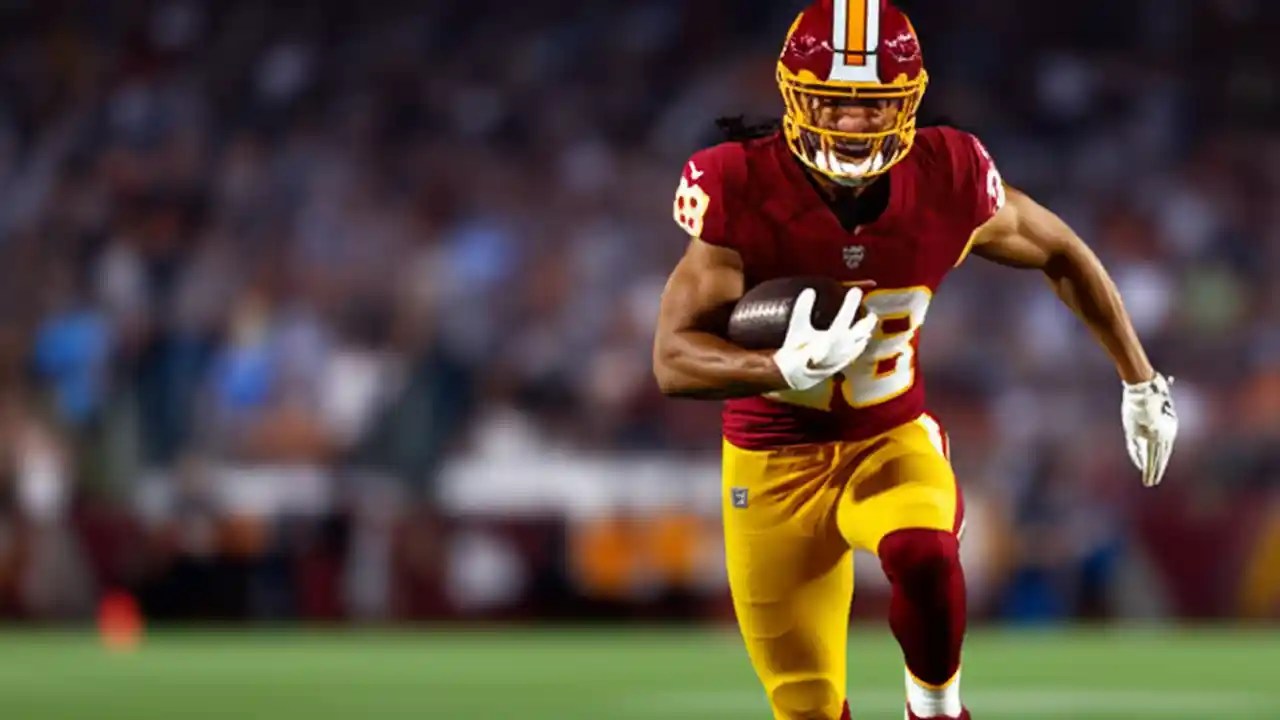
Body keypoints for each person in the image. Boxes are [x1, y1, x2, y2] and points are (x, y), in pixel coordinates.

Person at [651, 1, 1179, 718]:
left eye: (874, 106)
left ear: (909, 102)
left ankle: (936, 710)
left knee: (926, 554)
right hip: (770, 467)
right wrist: (779, 369)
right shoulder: (738, 186)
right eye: (833, 104)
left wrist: (1139, 379)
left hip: (885, 440)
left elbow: (1059, 250)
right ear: (795, 99)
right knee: (805, 704)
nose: (851, 123)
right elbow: (673, 359)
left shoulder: (949, 174)